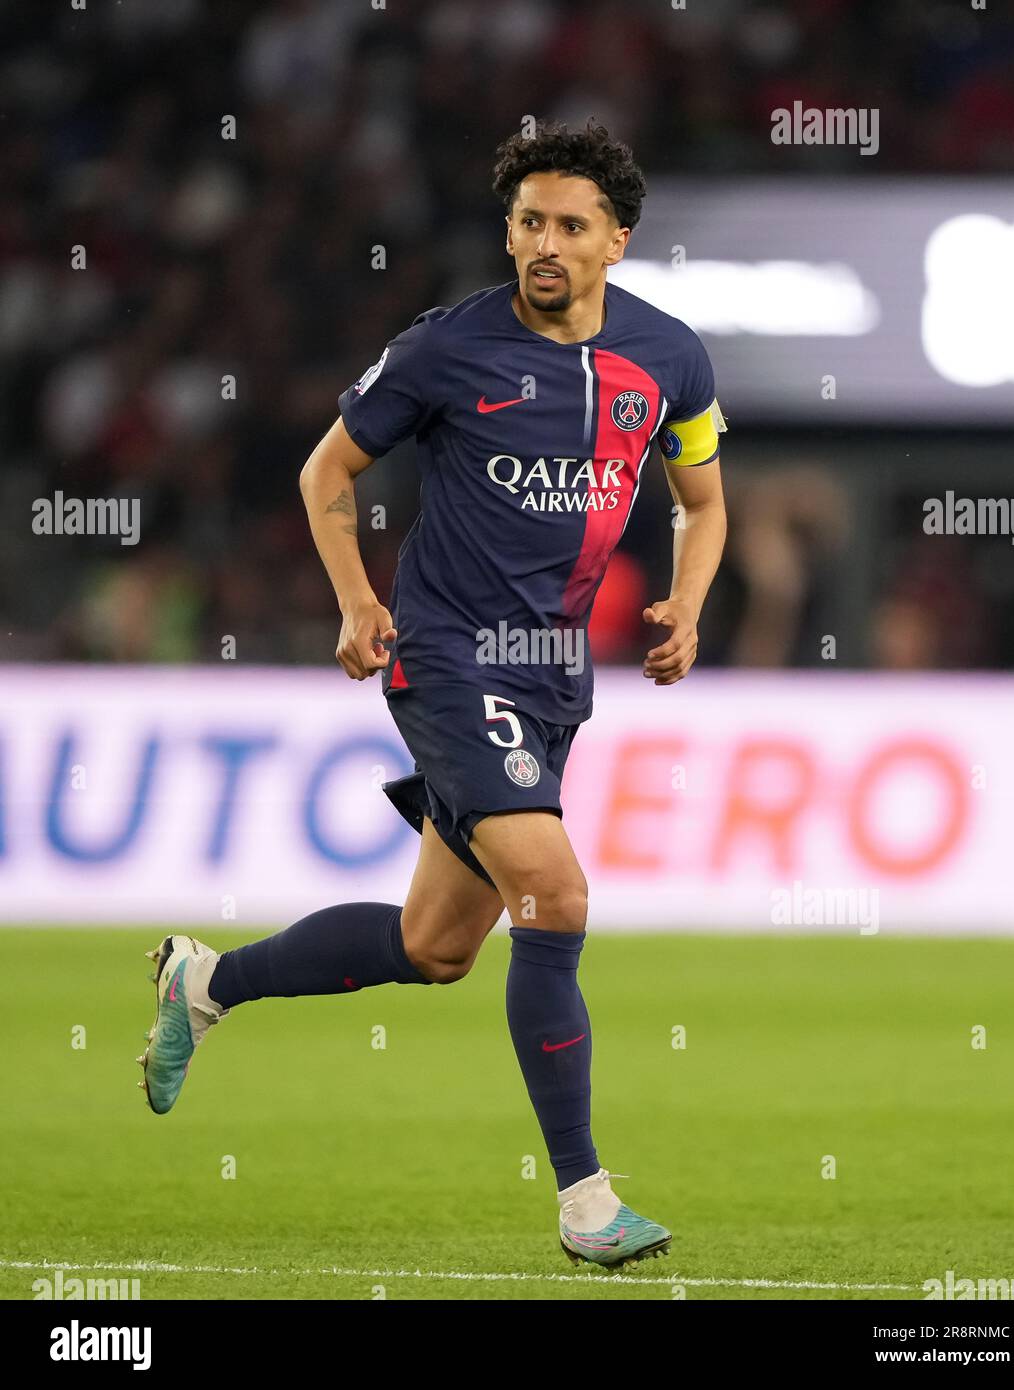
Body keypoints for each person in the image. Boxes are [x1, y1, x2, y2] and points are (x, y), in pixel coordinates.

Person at [137, 119, 728, 1270]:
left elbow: (700, 503)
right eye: (526, 223)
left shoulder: (671, 359)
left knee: (437, 944)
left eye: (568, 225)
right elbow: (326, 474)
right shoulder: (445, 350)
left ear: (618, 239)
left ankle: (203, 982)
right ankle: (585, 1201)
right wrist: (358, 601)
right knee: (553, 900)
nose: (542, 244)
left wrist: (689, 606)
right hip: (451, 657)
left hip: (555, 677)